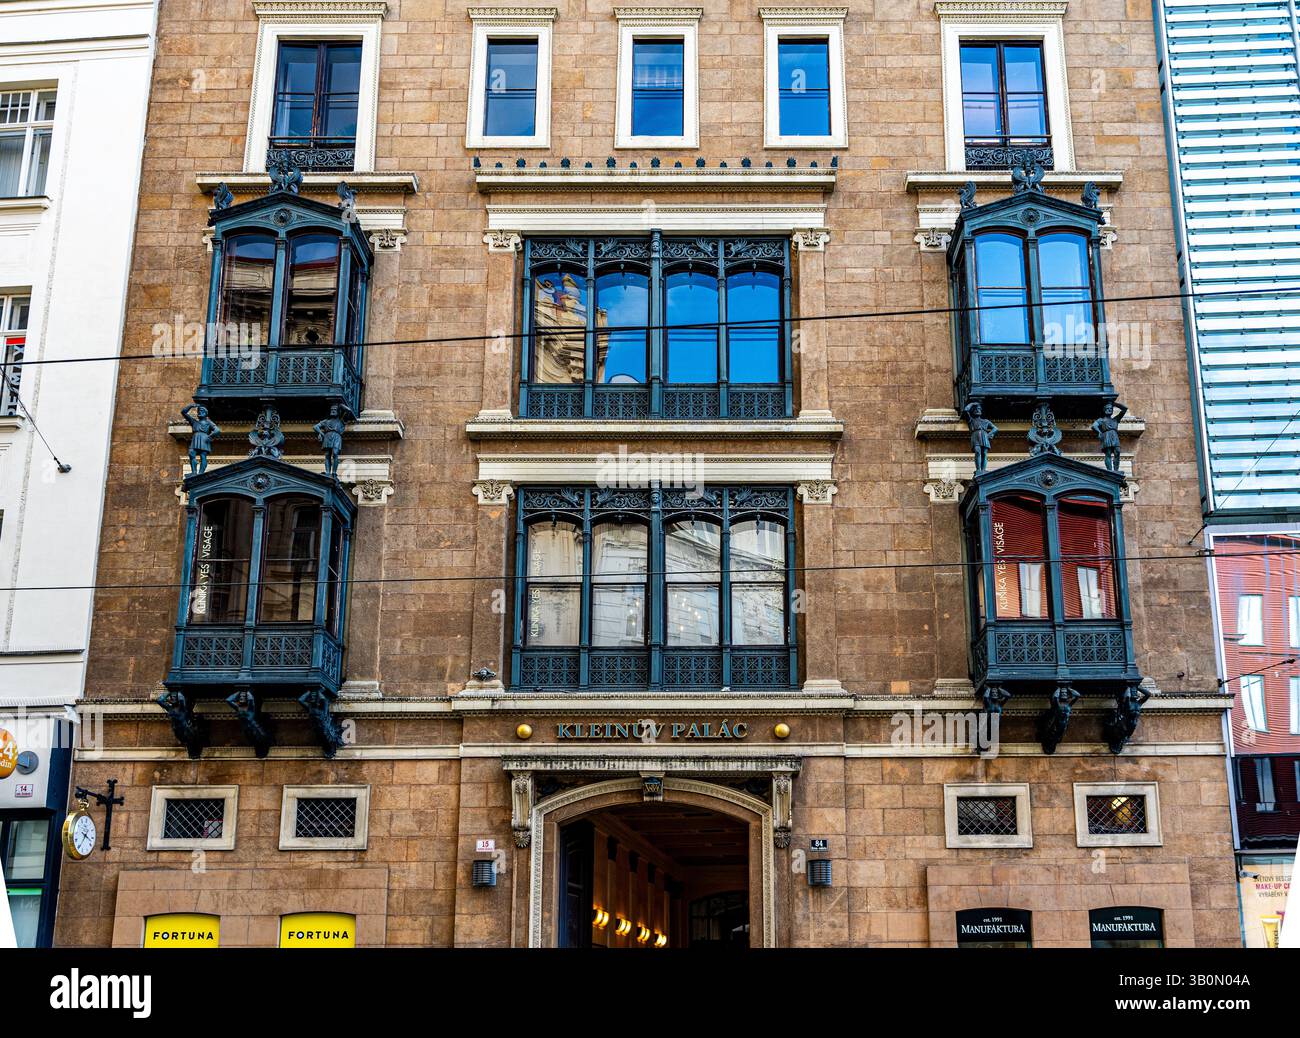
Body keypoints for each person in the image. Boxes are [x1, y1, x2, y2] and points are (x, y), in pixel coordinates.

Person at [180, 403, 221, 475]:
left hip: (204, 439)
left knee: (203, 455)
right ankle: (194, 472)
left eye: (202, 411)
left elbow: (217, 430)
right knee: (191, 453)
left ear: (206, 413)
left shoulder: (208, 422)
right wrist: (191, 406)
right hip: (195, 438)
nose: (199, 412)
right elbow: (183, 412)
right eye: (198, 411)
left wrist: (210, 436)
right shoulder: (193, 422)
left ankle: (201, 473)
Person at [1091, 400, 1128, 472]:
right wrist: (1099, 432)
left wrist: (1114, 404)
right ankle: (1110, 470)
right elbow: (1094, 426)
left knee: (1117, 451)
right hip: (1106, 435)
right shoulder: (1101, 420)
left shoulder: (1116, 419)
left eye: (1111, 409)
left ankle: (1116, 470)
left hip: (1114, 435)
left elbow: (1125, 409)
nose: (1109, 410)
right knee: (1108, 453)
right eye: (1107, 409)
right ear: (1104, 410)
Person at [963, 401, 998, 474]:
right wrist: (973, 404)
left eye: (979, 409)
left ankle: (983, 470)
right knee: (978, 452)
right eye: (975, 409)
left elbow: (995, 428)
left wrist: (989, 434)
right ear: (973, 411)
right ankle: (978, 469)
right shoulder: (971, 420)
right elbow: (966, 410)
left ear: (981, 411)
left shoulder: (985, 421)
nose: (977, 410)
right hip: (975, 435)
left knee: (984, 453)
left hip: (984, 436)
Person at [314, 405, 346, 478]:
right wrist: (321, 433)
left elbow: (348, 411)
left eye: (335, 410)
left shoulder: (341, 421)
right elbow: (315, 427)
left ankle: (334, 472)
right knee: (327, 454)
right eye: (331, 410)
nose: (333, 411)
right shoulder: (326, 421)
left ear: (338, 412)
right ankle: (328, 472)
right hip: (327, 436)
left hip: (336, 436)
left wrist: (341, 405)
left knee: (335, 453)